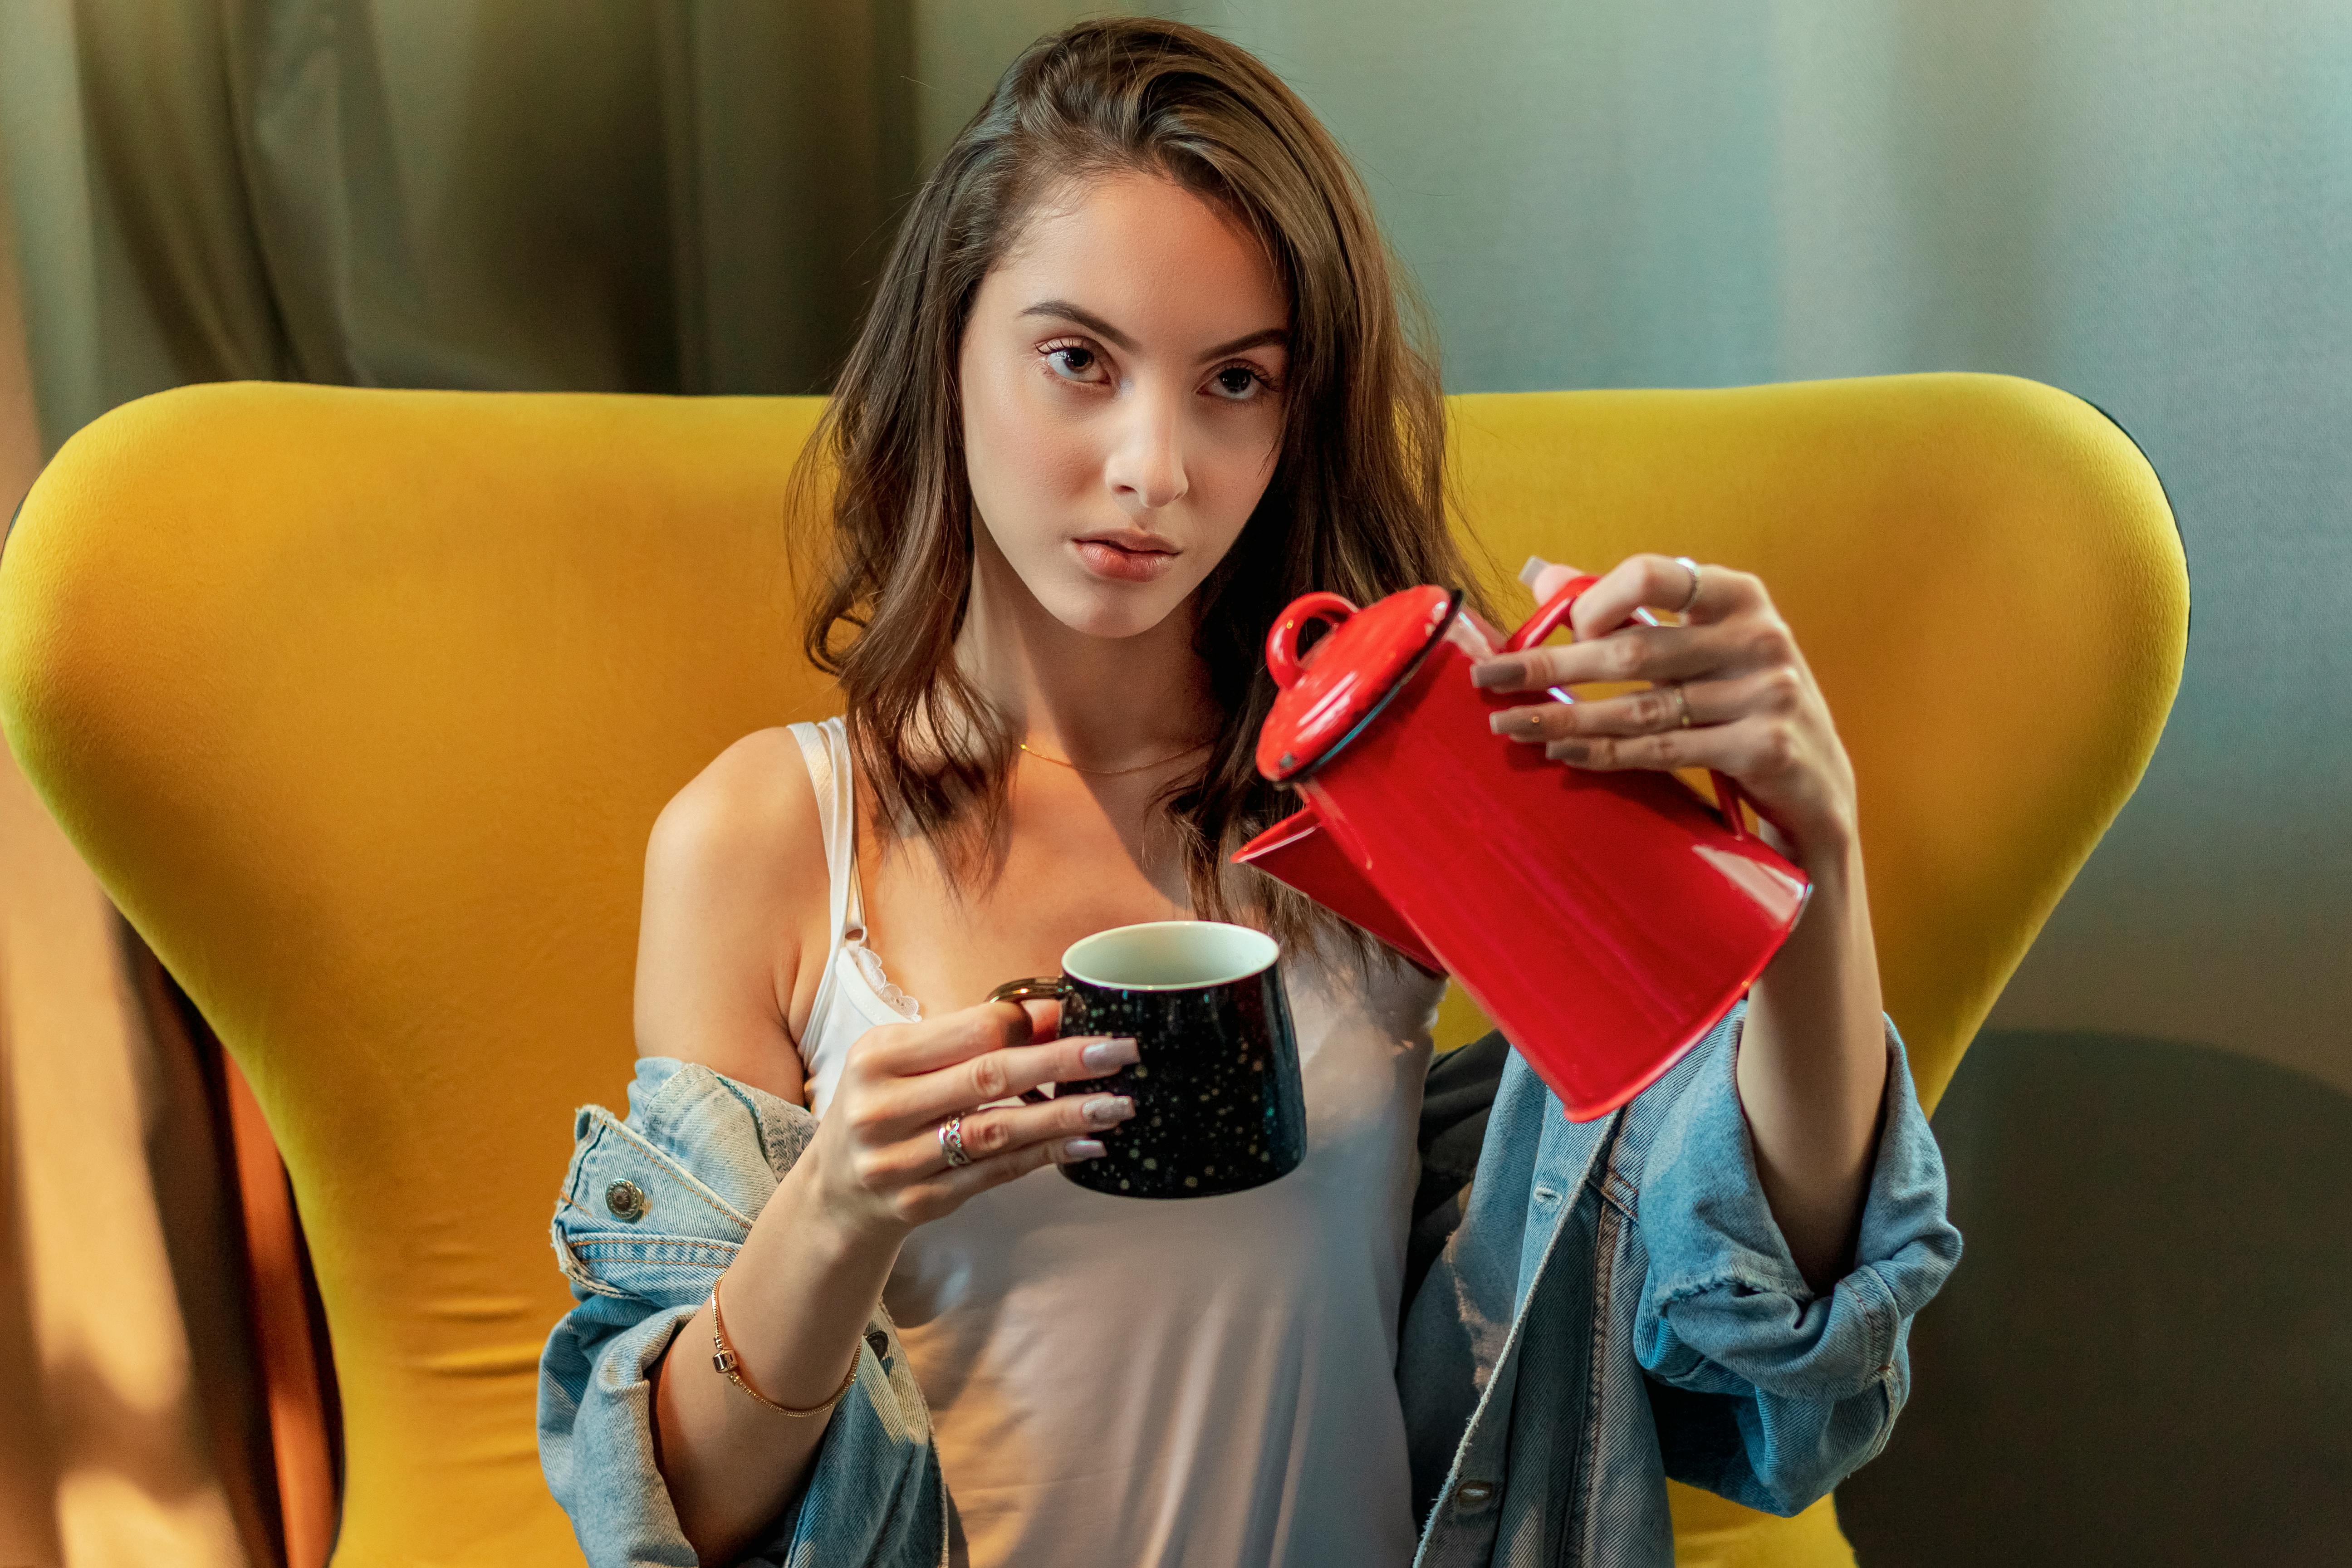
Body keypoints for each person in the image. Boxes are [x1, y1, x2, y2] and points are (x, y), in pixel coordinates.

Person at [536, 18, 1960, 1568]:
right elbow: (674, 1519)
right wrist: (837, 1210)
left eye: (1235, 382)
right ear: (947, 348)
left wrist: (1807, 857)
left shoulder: (1375, 792)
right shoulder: (772, 840)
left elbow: (1777, 1340)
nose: (1155, 467)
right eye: (1078, 362)